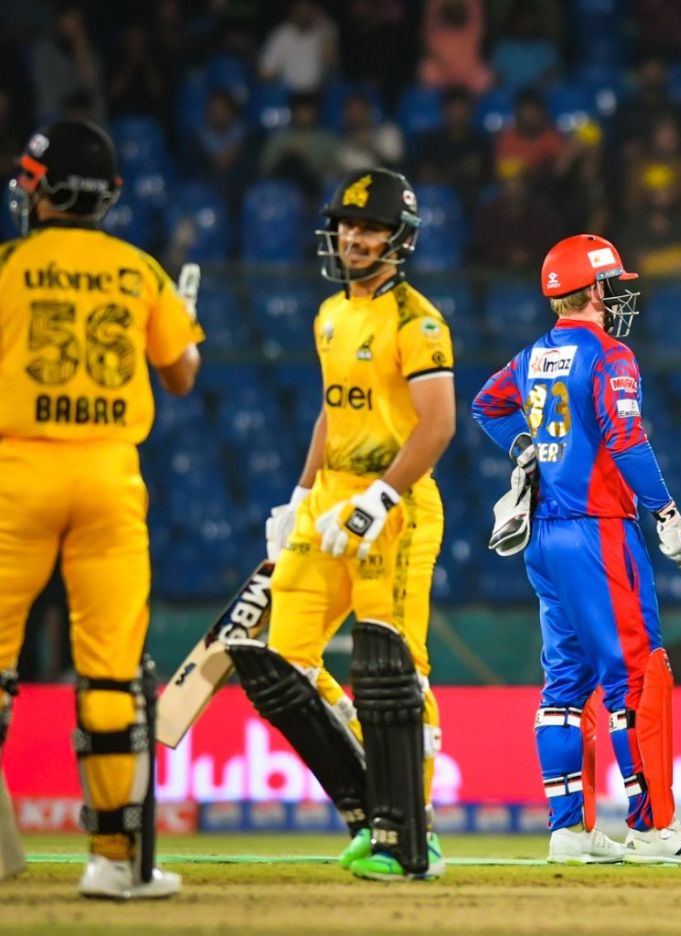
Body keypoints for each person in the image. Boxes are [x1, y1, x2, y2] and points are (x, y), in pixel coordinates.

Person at [472, 234, 681, 865]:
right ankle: (652, 827)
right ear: (592, 290)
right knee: (638, 676)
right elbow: (628, 440)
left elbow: (488, 405)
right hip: (598, 531)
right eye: (612, 285)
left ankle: (570, 830)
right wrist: (665, 510)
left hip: (545, 535)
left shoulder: (533, 356)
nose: (617, 296)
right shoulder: (611, 355)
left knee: (564, 683)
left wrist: (526, 448)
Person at [0, 119, 202, 897]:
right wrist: (183, 331)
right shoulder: (139, 271)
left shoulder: (12, 264)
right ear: (111, 196)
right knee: (112, 675)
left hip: (15, 469)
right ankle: (116, 863)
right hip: (111, 478)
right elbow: (180, 377)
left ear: (41, 190)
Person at [247, 168, 456, 882]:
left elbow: (438, 426)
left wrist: (381, 500)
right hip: (331, 503)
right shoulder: (330, 314)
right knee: (284, 663)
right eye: (347, 224)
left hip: (393, 515)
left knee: (396, 676)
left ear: (398, 239)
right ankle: (376, 800)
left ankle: (414, 831)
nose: (354, 238)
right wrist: (300, 495)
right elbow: (334, 411)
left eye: (368, 228)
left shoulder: (417, 322)